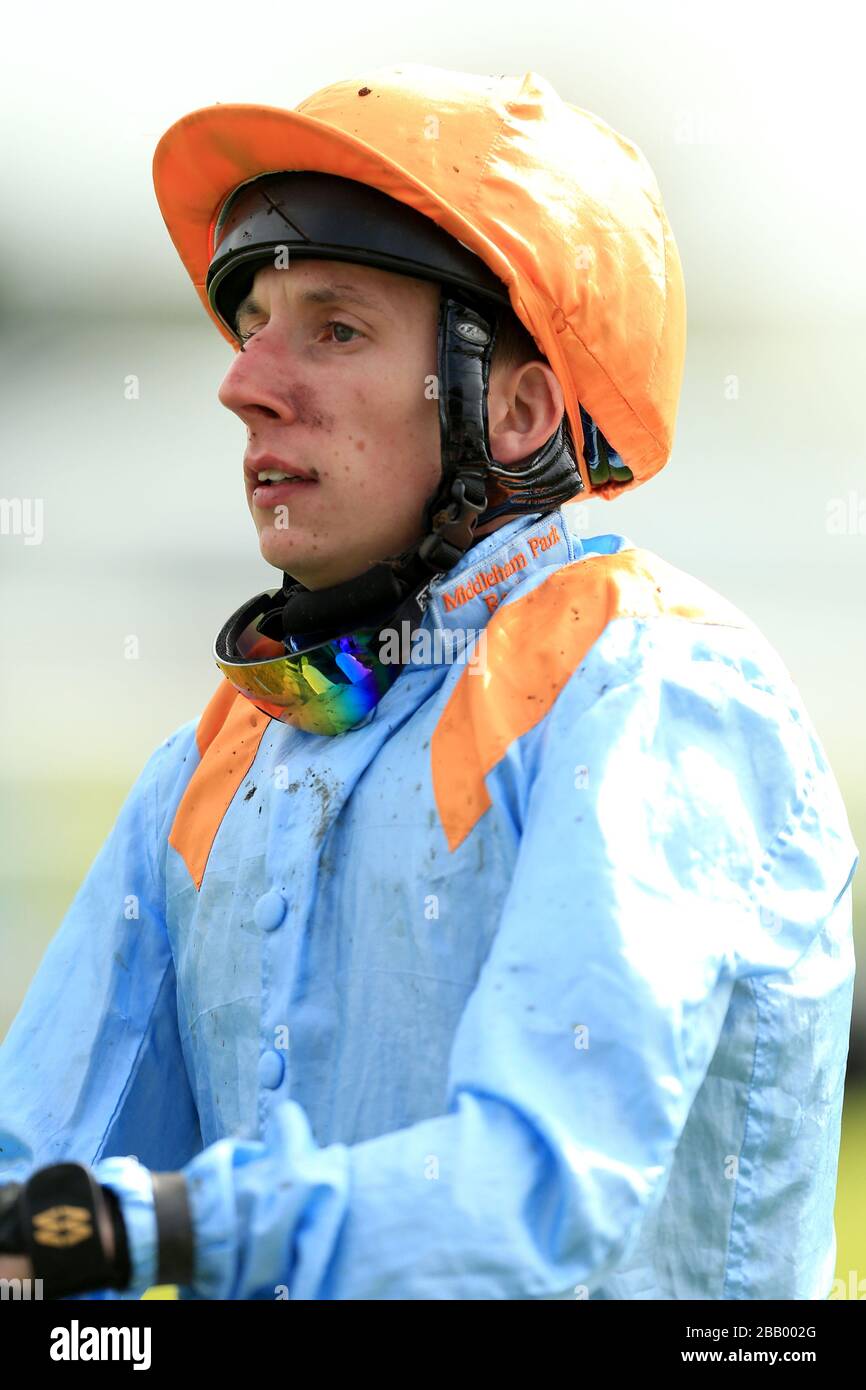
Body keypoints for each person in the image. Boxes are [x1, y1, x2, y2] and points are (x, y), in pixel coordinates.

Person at [0, 63, 858, 1301]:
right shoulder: (221, 756)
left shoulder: (654, 687)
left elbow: (537, 1191)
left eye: (335, 329)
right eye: (254, 328)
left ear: (509, 412)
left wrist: (142, 1230)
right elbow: (41, 1183)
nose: (244, 384)